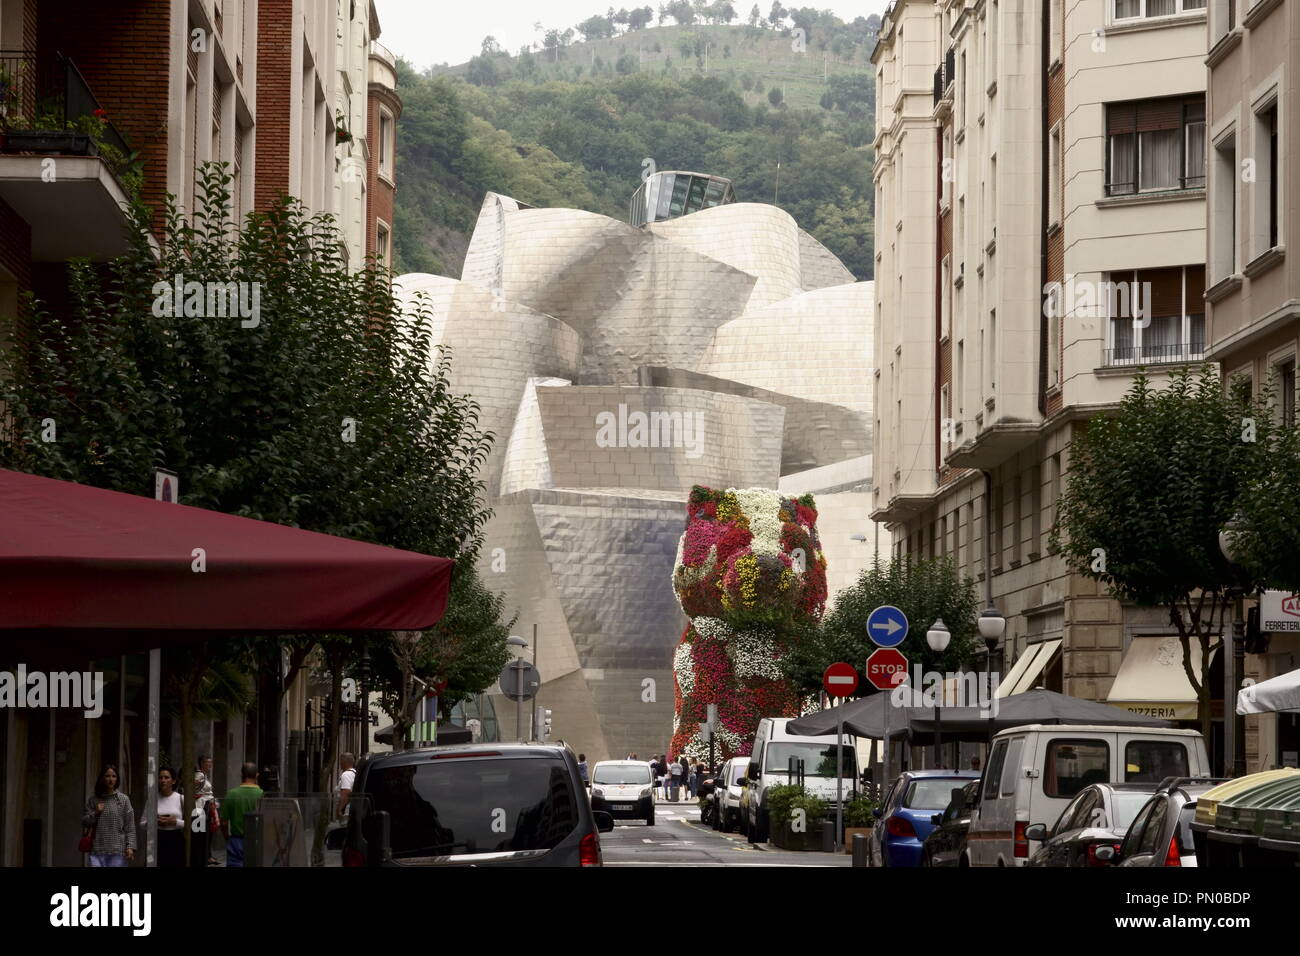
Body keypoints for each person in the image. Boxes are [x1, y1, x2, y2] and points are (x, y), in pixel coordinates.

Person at [82, 764, 136, 867]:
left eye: (113, 776)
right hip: (97, 850)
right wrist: (96, 812)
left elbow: (130, 826)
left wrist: (130, 847)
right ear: (102, 778)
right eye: (107, 776)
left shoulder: (123, 800)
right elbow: (85, 822)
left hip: (118, 851)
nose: (110, 779)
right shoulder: (93, 800)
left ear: (117, 779)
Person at [220, 762, 264, 868]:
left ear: (241, 775)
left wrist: (228, 838)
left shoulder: (231, 794)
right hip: (256, 841)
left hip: (236, 841)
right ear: (257, 775)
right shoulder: (262, 794)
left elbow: (224, 822)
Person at [145, 767, 185, 868]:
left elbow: (192, 824)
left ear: (173, 781)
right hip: (157, 839)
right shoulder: (152, 799)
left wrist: (175, 822)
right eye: (160, 777)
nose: (163, 780)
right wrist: (155, 822)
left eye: (166, 777)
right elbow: (142, 823)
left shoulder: (181, 798)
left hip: (176, 840)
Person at [193, 755, 219, 867]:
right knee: (201, 835)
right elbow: (193, 790)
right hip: (200, 809)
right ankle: (202, 858)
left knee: (207, 833)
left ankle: (206, 856)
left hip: (206, 807)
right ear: (202, 763)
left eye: (211, 762)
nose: (210, 765)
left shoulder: (204, 776)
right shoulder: (199, 776)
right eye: (208, 762)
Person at [336, 753, 356, 820]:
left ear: (345, 762)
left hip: (346, 812)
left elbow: (346, 792)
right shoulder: (354, 773)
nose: (340, 763)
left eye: (341, 761)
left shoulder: (346, 774)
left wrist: (340, 809)